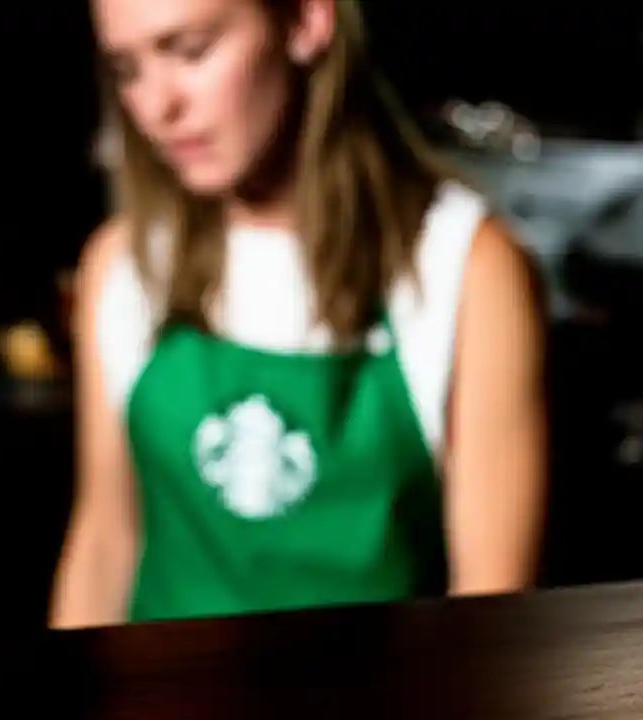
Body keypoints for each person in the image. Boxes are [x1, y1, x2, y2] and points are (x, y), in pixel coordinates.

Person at [50, 0, 548, 629]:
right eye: (127, 68)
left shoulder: (465, 266)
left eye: (190, 50)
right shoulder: (123, 263)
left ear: (308, 20)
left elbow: (492, 622)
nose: (156, 105)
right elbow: (104, 544)